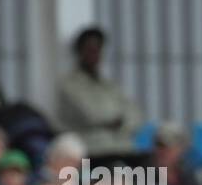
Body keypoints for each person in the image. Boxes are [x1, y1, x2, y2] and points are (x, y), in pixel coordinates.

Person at [55, 26, 142, 159]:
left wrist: (120, 123)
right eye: (90, 49)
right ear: (79, 52)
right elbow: (93, 114)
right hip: (90, 152)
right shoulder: (69, 84)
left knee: (149, 171)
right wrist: (115, 120)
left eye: (98, 49)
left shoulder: (108, 85)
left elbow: (136, 116)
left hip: (120, 148)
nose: (94, 54)